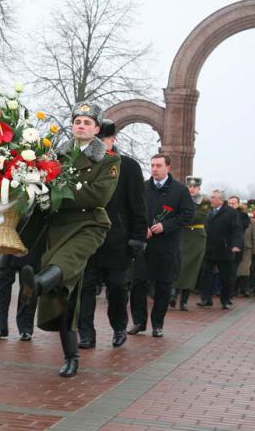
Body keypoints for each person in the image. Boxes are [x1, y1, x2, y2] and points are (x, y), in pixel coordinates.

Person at [19, 101, 120, 377]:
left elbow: (98, 195)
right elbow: (42, 191)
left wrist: (58, 193)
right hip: (59, 227)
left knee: (64, 262)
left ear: (97, 129)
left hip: (89, 225)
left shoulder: (109, 160)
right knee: (62, 293)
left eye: (87, 122)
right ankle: (71, 355)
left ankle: (36, 285)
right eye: (77, 121)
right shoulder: (57, 157)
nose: (81, 125)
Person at [78, 119, 147, 349]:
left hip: (117, 240)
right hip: (88, 238)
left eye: (105, 140)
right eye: (97, 140)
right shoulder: (84, 163)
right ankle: (86, 334)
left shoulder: (128, 167)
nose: (100, 144)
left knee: (117, 287)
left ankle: (119, 327)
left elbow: (138, 205)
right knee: (85, 288)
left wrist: (137, 237)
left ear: (113, 140)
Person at [129, 154, 194, 337]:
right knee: (138, 284)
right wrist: (142, 229)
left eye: (158, 165)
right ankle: (139, 322)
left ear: (168, 167)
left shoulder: (180, 190)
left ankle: (158, 324)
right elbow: (133, 211)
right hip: (143, 246)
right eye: (152, 165)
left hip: (167, 247)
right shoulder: (143, 187)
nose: (154, 169)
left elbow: (187, 214)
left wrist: (166, 226)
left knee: (163, 287)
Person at [196, 190, 243, 309]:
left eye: (214, 197)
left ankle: (225, 300)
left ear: (221, 200)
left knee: (225, 277)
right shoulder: (209, 212)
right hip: (209, 248)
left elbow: (237, 230)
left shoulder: (231, 213)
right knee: (206, 275)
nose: (211, 199)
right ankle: (206, 298)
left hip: (225, 249)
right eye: (211, 197)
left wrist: (236, 245)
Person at [171, 176, 210, 311]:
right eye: (189, 186)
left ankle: (184, 301)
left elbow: (199, 217)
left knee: (191, 270)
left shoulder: (204, 202)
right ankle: (173, 296)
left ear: (199, 188)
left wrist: (183, 216)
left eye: (194, 187)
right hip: (181, 235)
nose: (192, 189)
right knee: (177, 266)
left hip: (196, 239)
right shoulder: (180, 199)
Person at [0, 252, 41, 342]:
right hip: (7, 244)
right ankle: (0, 327)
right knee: (2, 282)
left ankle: (25, 328)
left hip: (30, 244)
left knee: (27, 283)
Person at [236, 202, 255, 297]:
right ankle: (236, 288)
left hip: (247, 248)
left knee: (245, 269)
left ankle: (245, 289)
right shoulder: (234, 220)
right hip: (236, 247)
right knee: (236, 269)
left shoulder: (252, 222)